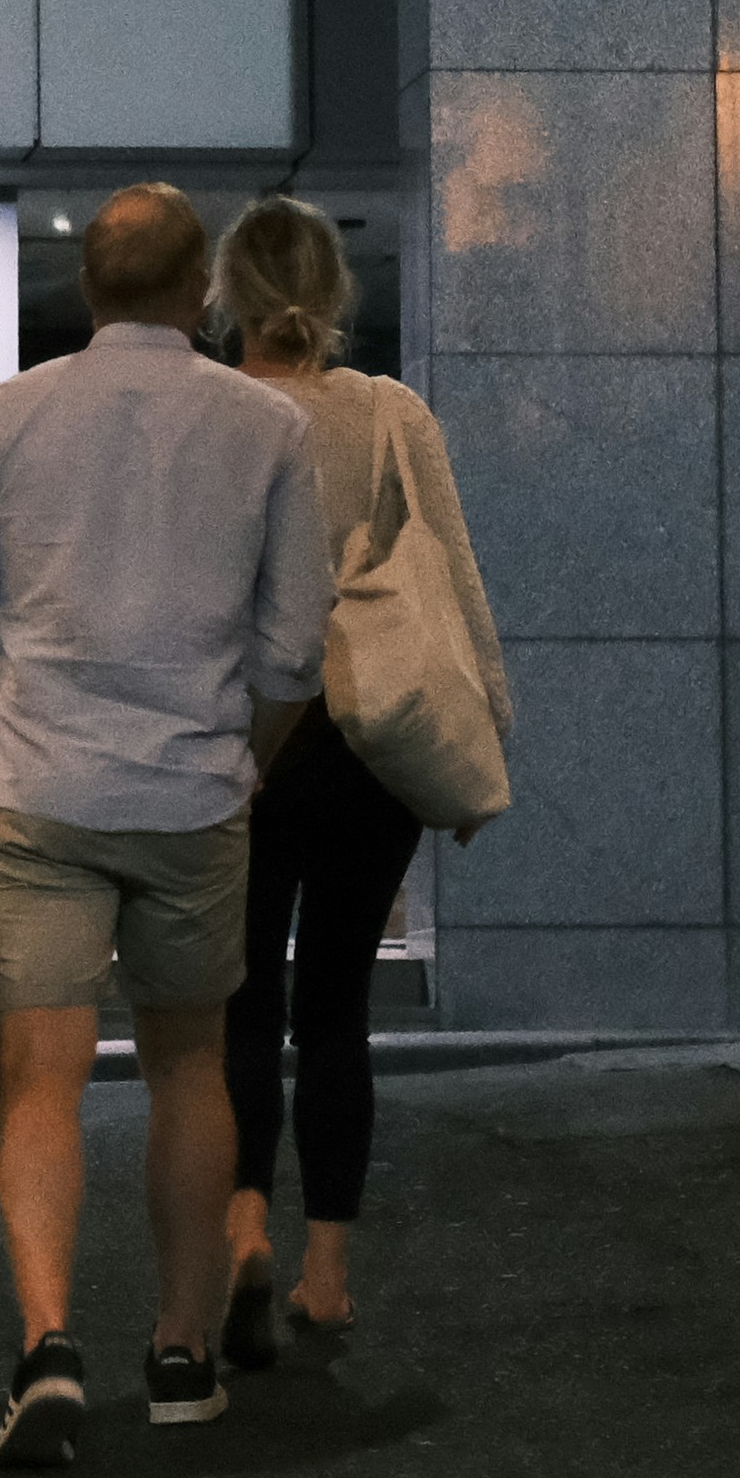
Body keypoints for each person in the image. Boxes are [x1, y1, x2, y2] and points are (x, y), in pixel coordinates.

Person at [0, 182, 328, 1469]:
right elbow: (296, 647)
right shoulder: (267, 426)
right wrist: (240, 758)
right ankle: (181, 1355)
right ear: (203, 294)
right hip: (192, 797)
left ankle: (48, 1344)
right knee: (191, 1064)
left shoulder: (9, 414)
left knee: (40, 1078)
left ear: (87, 290)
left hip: (37, 796)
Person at [205, 194, 500, 1372]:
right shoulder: (386, 412)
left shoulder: (213, 413)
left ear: (227, 292)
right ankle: (327, 1271)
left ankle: (240, 1227)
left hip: (245, 732)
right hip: (372, 738)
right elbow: (458, 575)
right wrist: (487, 725)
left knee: (236, 997)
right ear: (331, 295)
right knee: (334, 1007)